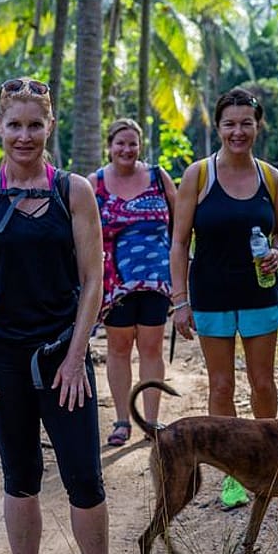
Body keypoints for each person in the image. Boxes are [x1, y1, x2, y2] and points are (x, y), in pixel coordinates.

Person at [0, 76, 121, 554]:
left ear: (51, 127)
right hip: (0, 356)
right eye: (15, 124)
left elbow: (94, 280)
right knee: (19, 474)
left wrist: (75, 358)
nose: (25, 135)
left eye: (35, 124)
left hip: (60, 353)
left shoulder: (74, 192)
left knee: (84, 475)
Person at [169, 87, 278, 509]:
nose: (238, 131)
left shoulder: (271, 177)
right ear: (218, 127)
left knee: (262, 382)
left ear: (258, 125)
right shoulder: (198, 176)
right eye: (230, 124)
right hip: (211, 295)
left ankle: (270, 461)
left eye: (246, 123)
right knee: (221, 384)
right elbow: (179, 241)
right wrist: (180, 300)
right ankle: (232, 473)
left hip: (259, 294)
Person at [87, 118, 177, 447]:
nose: (126, 149)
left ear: (140, 147)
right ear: (109, 146)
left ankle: (150, 422)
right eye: (120, 143)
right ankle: (123, 420)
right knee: (119, 348)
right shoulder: (94, 183)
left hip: (157, 282)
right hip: (114, 284)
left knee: (151, 347)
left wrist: (182, 278)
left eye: (132, 144)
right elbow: (80, 232)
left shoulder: (158, 177)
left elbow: (180, 227)